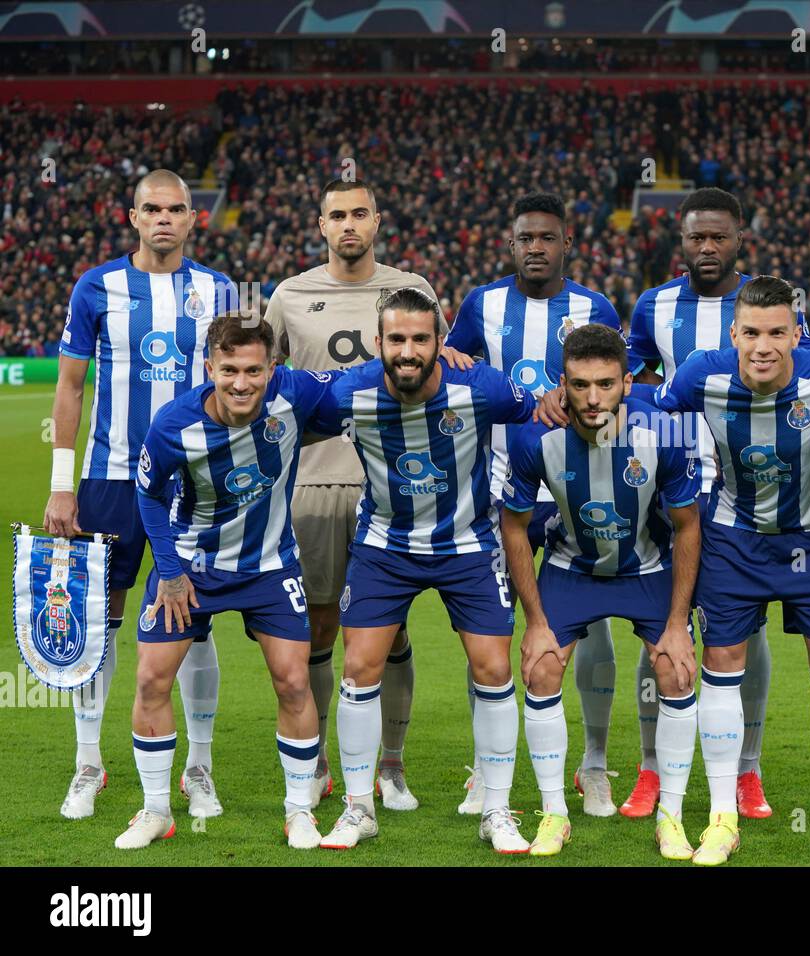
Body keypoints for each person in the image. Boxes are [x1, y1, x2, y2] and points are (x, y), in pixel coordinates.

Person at [632, 275, 810, 867]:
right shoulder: (702, 373)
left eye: (777, 332)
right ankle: (722, 819)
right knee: (722, 663)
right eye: (751, 332)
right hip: (731, 541)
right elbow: (653, 404)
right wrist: (586, 399)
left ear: (798, 334)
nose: (763, 345)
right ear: (734, 333)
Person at [308, 287, 538, 853]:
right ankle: (359, 807)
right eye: (397, 340)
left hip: (467, 543)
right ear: (378, 343)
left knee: (492, 668)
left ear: (441, 341)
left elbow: (544, 406)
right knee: (360, 667)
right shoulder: (349, 393)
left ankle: (498, 807)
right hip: (385, 546)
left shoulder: (480, 387)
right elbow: (277, 397)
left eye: (420, 339)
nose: (408, 351)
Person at [44, 170, 232, 822]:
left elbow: (234, 383)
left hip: (195, 483)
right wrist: (61, 487)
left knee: (194, 618)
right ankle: (87, 764)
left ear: (192, 218)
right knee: (102, 618)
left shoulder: (219, 290)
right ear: (132, 215)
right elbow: (70, 387)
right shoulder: (96, 287)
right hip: (108, 479)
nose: (163, 219)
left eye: (175, 209)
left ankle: (198, 767)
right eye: (151, 208)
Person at [621, 187, 810, 820]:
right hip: (670, 486)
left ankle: (747, 771)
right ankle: (651, 767)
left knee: (744, 632)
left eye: (719, 237)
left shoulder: (770, 304)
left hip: (746, 488)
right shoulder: (655, 304)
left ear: (739, 239)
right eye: (696, 237)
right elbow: (632, 374)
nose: (708, 247)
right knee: (660, 631)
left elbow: (805, 373)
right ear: (681, 242)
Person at [118, 314, 339, 850]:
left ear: (273, 369)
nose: (242, 383)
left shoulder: (296, 393)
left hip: (269, 566)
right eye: (230, 370)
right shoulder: (175, 424)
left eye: (254, 371)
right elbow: (148, 494)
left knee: (292, 681)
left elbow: (359, 385)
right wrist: (169, 573)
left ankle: (299, 811)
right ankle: (154, 812)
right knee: (150, 679)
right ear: (209, 367)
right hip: (191, 570)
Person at [440, 192, 625, 817]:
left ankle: (594, 764)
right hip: (500, 491)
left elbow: (621, 383)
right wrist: (454, 357)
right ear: (511, 244)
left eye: (548, 238)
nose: (537, 248)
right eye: (526, 239)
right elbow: (449, 358)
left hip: (581, 491)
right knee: (489, 632)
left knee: (591, 623)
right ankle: (486, 771)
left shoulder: (593, 307)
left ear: (566, 242)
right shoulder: (481, 304)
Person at [264, 178, 435, 812]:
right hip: (310, 482)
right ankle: (320, 760)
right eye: (337, 215)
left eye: (359, 213)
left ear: (378, 220)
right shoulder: (290, 295)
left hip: (389, 484)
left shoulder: (411, 292)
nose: (349, 225)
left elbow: (437, 377)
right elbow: (264, 381)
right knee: (318, 625)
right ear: (320, 224)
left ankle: (390, 763)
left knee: (386, 630)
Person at [502, 323, 702, 859]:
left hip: (647, 569)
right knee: (541, 667)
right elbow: (515, 527)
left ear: (627, 384)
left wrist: (679, 624)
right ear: (561, 383)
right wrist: (536, 622)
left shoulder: (663, 433)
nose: (593, 399)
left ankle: (672, 816)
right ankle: (553, 816)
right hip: (572, 568)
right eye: (580, 384)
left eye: (606, 384)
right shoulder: (534, 438)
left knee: (677, 671)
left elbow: (688, 526)